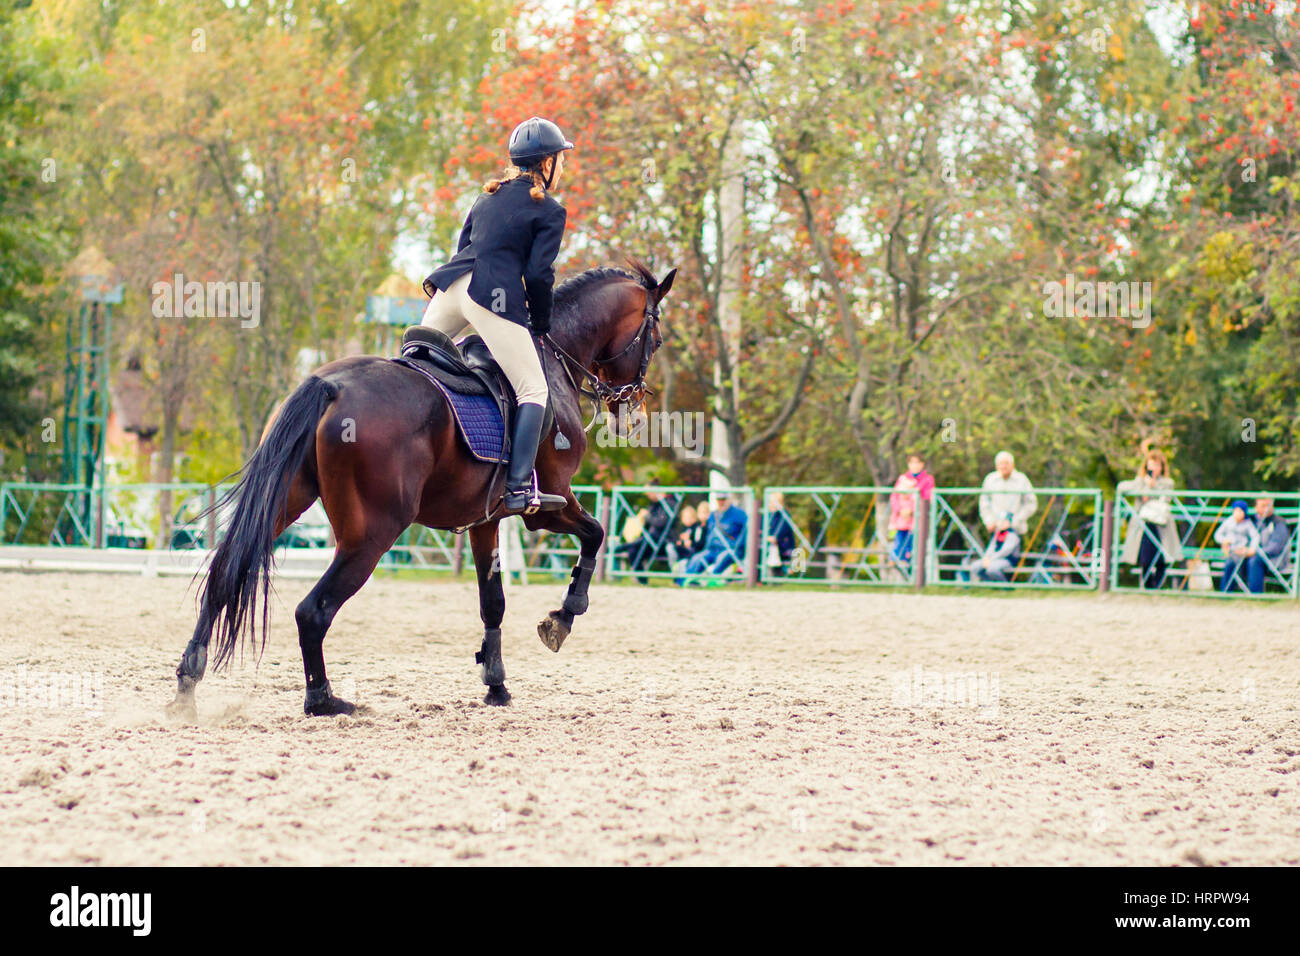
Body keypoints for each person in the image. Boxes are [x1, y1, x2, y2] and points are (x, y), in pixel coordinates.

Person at [420, 116, 574, 515]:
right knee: (533, 390)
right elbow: (538, 275)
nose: (564, 166)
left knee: (413, 361)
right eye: (561, 159)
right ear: (546, 163)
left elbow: (463, 247)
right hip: (491, 296)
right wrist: (541, 322)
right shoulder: (550, 211)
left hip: (451, 287)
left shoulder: (485, 197)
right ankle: (518, 487)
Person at [1116, 448, 1182, 590]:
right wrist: (1144, 485)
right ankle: (1147, 586)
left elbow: (1166, 497)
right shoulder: (1140, 481)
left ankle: (1158, 586)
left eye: (1157, 465)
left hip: (1161, 524)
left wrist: (1153, 486)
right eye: (1151, 465)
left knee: (1162, 558)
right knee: (1145, 557)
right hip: (1144, 524)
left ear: (1162, 467)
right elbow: (1121, 487)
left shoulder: (1167, 483)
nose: (1153, 468)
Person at [679, 492, 747, 584]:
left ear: (729, 500)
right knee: (697, 558)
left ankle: (709, 582)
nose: (721, 502)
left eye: (723, 499)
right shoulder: (713, 515)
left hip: (729, 549)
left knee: (721, 559)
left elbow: (745, 533)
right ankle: (684, 581)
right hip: (712, 549)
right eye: (719, 499)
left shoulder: (739, 514)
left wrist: (737, 548)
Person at [888, 452, 935, 566]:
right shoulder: (902, 479)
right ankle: (895, 558)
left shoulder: (927, 479)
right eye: (912, 463)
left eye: (917, 462)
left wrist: (912, 510)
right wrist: (900, 510)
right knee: (898, 537)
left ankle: (907, 559)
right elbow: (894, 496)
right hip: (901, 517)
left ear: (922, 464)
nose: (915, 465)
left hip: (917, 518)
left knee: (912, 540)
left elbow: (927, 498)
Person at [978, 451, 1037, 537]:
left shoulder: (1022, 480)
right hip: (995, 530)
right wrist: (990, 521)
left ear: (1012, 465)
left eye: (1006, 463)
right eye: (1000, 463)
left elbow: (1031, 504)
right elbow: (984, 503)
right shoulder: (990, 479)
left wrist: (1013, 522)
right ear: (996, 465)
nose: (1003, 466)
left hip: (1016, 530)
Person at [1245, 497, 1291, 594]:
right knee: (1235, 559)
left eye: (1269, 506)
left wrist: (1255, 552)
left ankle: (1255, 595)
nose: (1267, 509)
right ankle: (1227, 594)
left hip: (1275, 560)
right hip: (1253, 555)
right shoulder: (1250, 521)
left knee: (1254, 560)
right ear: (1256, 507)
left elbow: (1275, 547)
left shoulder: (1279, 523)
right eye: (1263, 506)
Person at [960, 513, 1021, 583]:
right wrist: (986, 557)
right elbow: (991, 548)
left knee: (991, 569)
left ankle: (1004, 585)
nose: (1001, 523)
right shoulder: (997, 534)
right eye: (1000, 521)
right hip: (993, 559)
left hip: (1007, 560)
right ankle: (991, 583)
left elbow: (1005, 552)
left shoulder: (1013, 535)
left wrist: (990, 559)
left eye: (1003, 521)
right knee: (975, 567)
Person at [1214, 500, 1260, 592]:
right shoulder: (1228, 522)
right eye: (1236, 511)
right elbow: (1217, 535)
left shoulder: (1247, 524)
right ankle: (1225, 590)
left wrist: (1251, 549)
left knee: (1236, 564)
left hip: (1242, 552)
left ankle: (1236, 588)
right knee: (1230, 564)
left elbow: (1255, 536)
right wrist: (1224, 541)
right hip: (1230, 551)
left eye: (1240, 511)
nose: (1238, 513)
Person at [764, 491, 798, 572]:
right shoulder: (766, 515)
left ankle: (784, 569)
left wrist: (769, 538)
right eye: (769, 502)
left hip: (782, 548)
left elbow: (780, 534)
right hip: (769, 548)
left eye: (772, 502)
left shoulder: (783, 516)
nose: (770, 504)